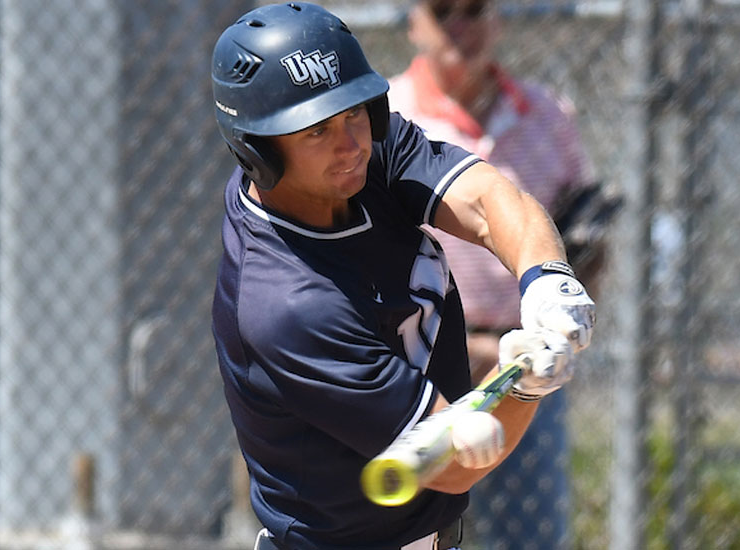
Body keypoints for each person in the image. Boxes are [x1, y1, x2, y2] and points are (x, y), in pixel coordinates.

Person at [210, 3, 595, 549]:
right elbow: (455, 463)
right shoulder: (288, 307)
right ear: (259, 151)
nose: (349, 143)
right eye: (316, 131)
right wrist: (528, 383)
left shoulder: (363, 154)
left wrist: (547, 279)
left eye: (353, 114)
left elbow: (488, 203)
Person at [387, 1, 617, 546]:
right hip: (420, 365)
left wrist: (561, 321)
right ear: (413, 23)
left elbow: (582, 238)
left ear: (499, 18)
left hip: (523, 363)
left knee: (529, 536)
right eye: (444, 12)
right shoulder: (389, 116)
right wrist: (467, 347)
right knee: (419, 531)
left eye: (475, 9)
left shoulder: (548, 113)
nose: (461, 27)